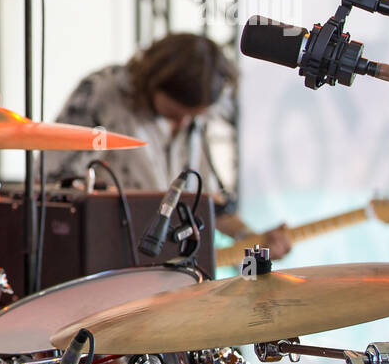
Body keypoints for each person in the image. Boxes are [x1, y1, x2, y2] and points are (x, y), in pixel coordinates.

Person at [46, 33, 292, 259]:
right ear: (155, 82)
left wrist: (249, 239)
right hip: (112, 260)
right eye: (174, 114)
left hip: (171, 270)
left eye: (192, 116)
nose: (184, 122)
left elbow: (207, 203)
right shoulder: (102, 94)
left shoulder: (197, 112)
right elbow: (54, 187)